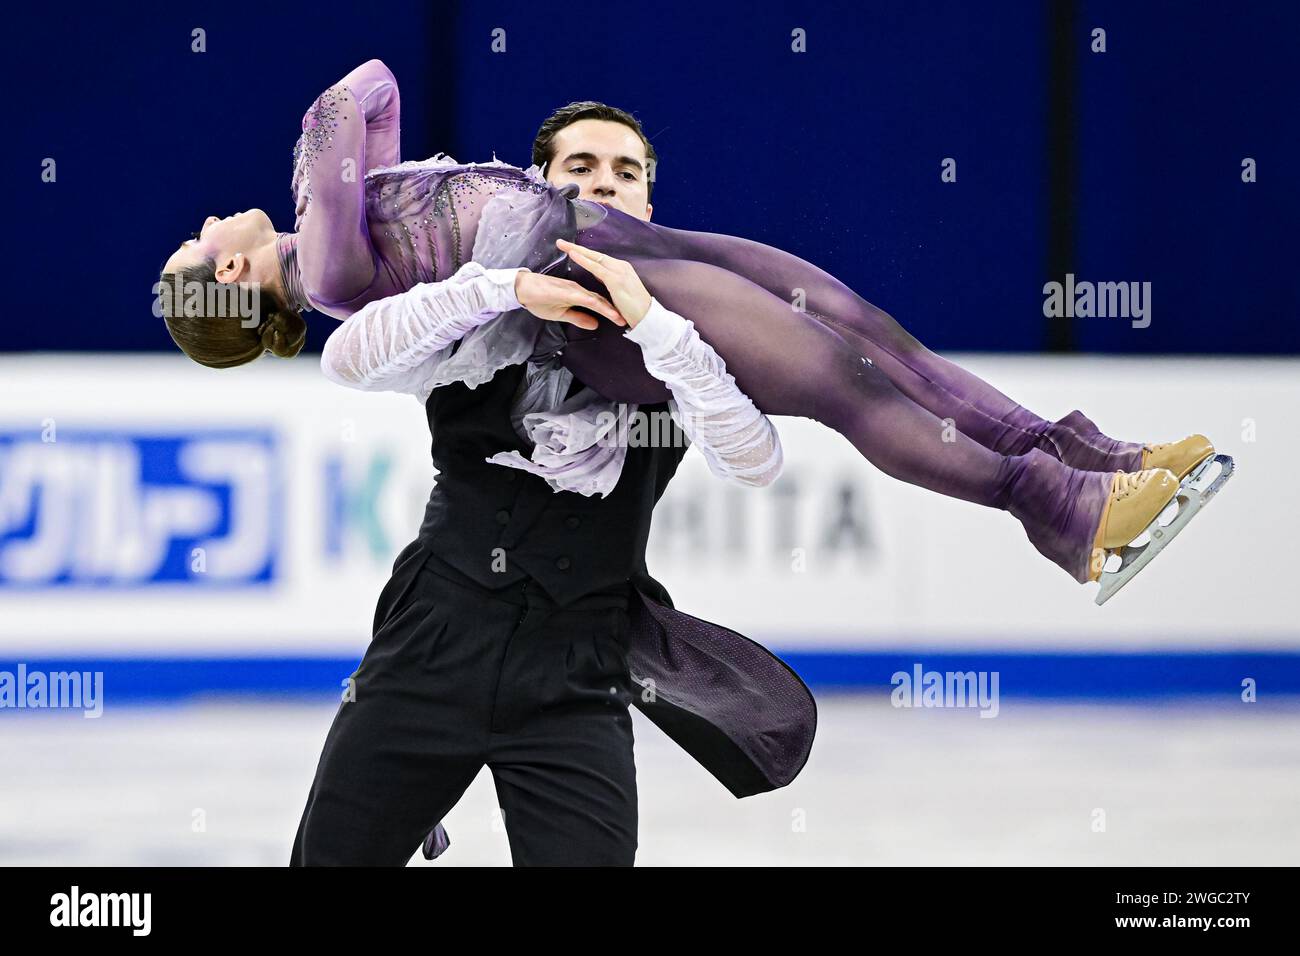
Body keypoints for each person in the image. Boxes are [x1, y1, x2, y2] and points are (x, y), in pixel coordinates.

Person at [158, 59, 1226, 862]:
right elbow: (354, 97)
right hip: (559, 335)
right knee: (838, 379)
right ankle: (1054, 508)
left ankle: (1082, 464)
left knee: (862, 330)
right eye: (201, 244)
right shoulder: (339, 268)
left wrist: (363, 185)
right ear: (236, 278)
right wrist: (352, 197)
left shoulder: (344, 227)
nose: (207, 218)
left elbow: (372, 97)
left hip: (593, 282)